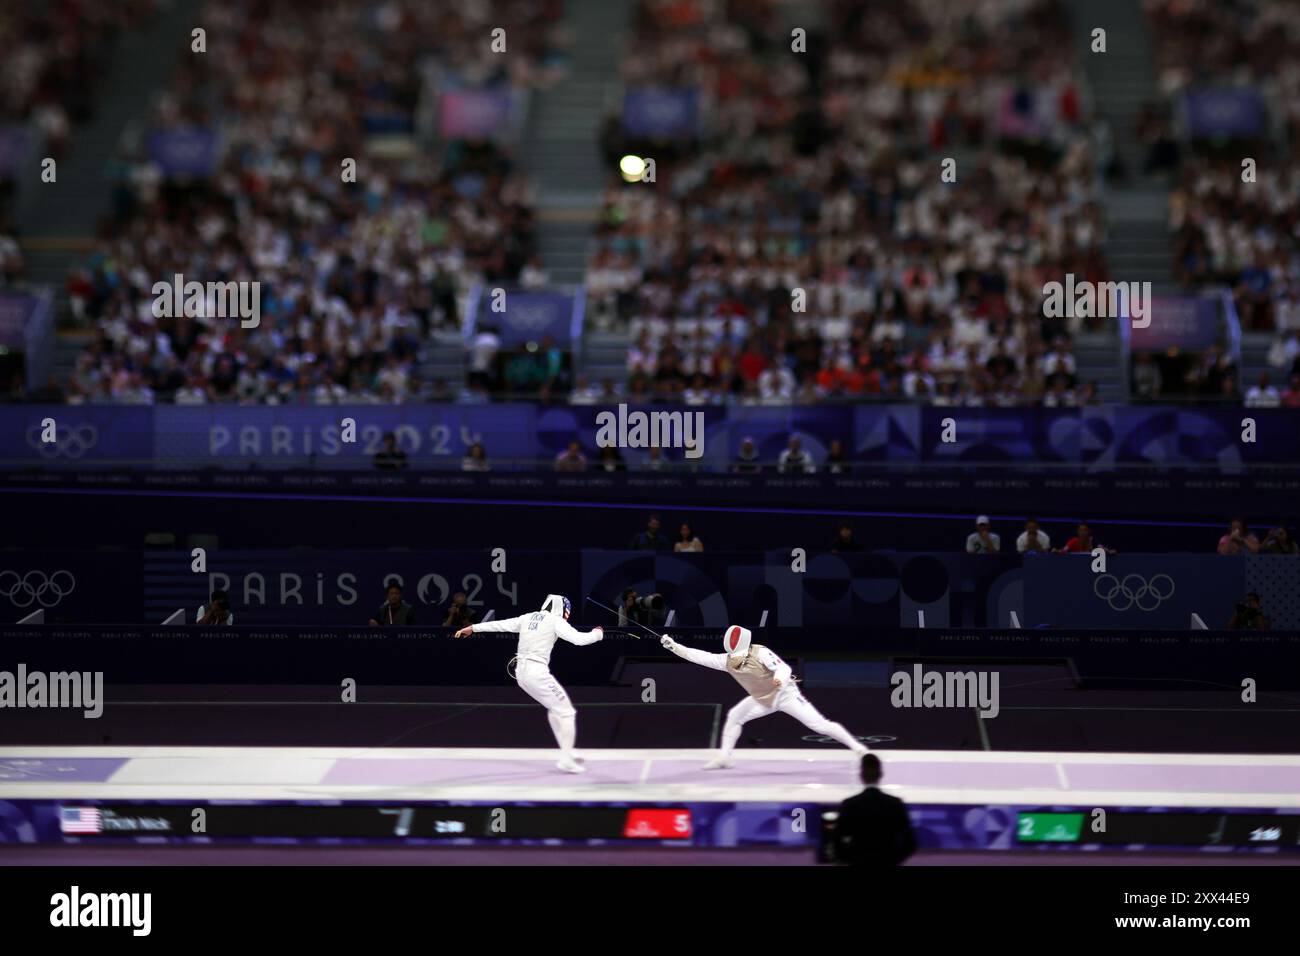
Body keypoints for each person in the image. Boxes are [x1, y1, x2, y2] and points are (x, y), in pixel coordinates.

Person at [660, 625, 867, 769]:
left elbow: (784, 668)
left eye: (738, 657)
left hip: (785, 695)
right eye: (732, 657)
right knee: (734, 716)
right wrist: (675, 647)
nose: (735, 661)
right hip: (761, 699)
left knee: (820, 725)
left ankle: (860, 750)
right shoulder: (727, 660)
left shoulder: (761, 653)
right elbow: (700, 656)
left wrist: (779, 678)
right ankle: (724, 757)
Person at [454, 595, 603, 773]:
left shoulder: (527, 617)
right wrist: (597, 634)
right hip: (536, 673)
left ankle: (567, 751)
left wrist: (473, 628)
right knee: (567, 713)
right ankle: (566, 760)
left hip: (521, 674)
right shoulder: (555, 620)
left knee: (556, 710)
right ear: (561, 608)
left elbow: (500, 624)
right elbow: (579, 639)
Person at [831, 754, 917, 867]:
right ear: (880, 774)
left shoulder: (850, 804)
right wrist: (892, 861)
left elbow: (837, 842)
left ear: (861, 775)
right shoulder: (895, 804)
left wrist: (853, 860)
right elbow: (910, 843)